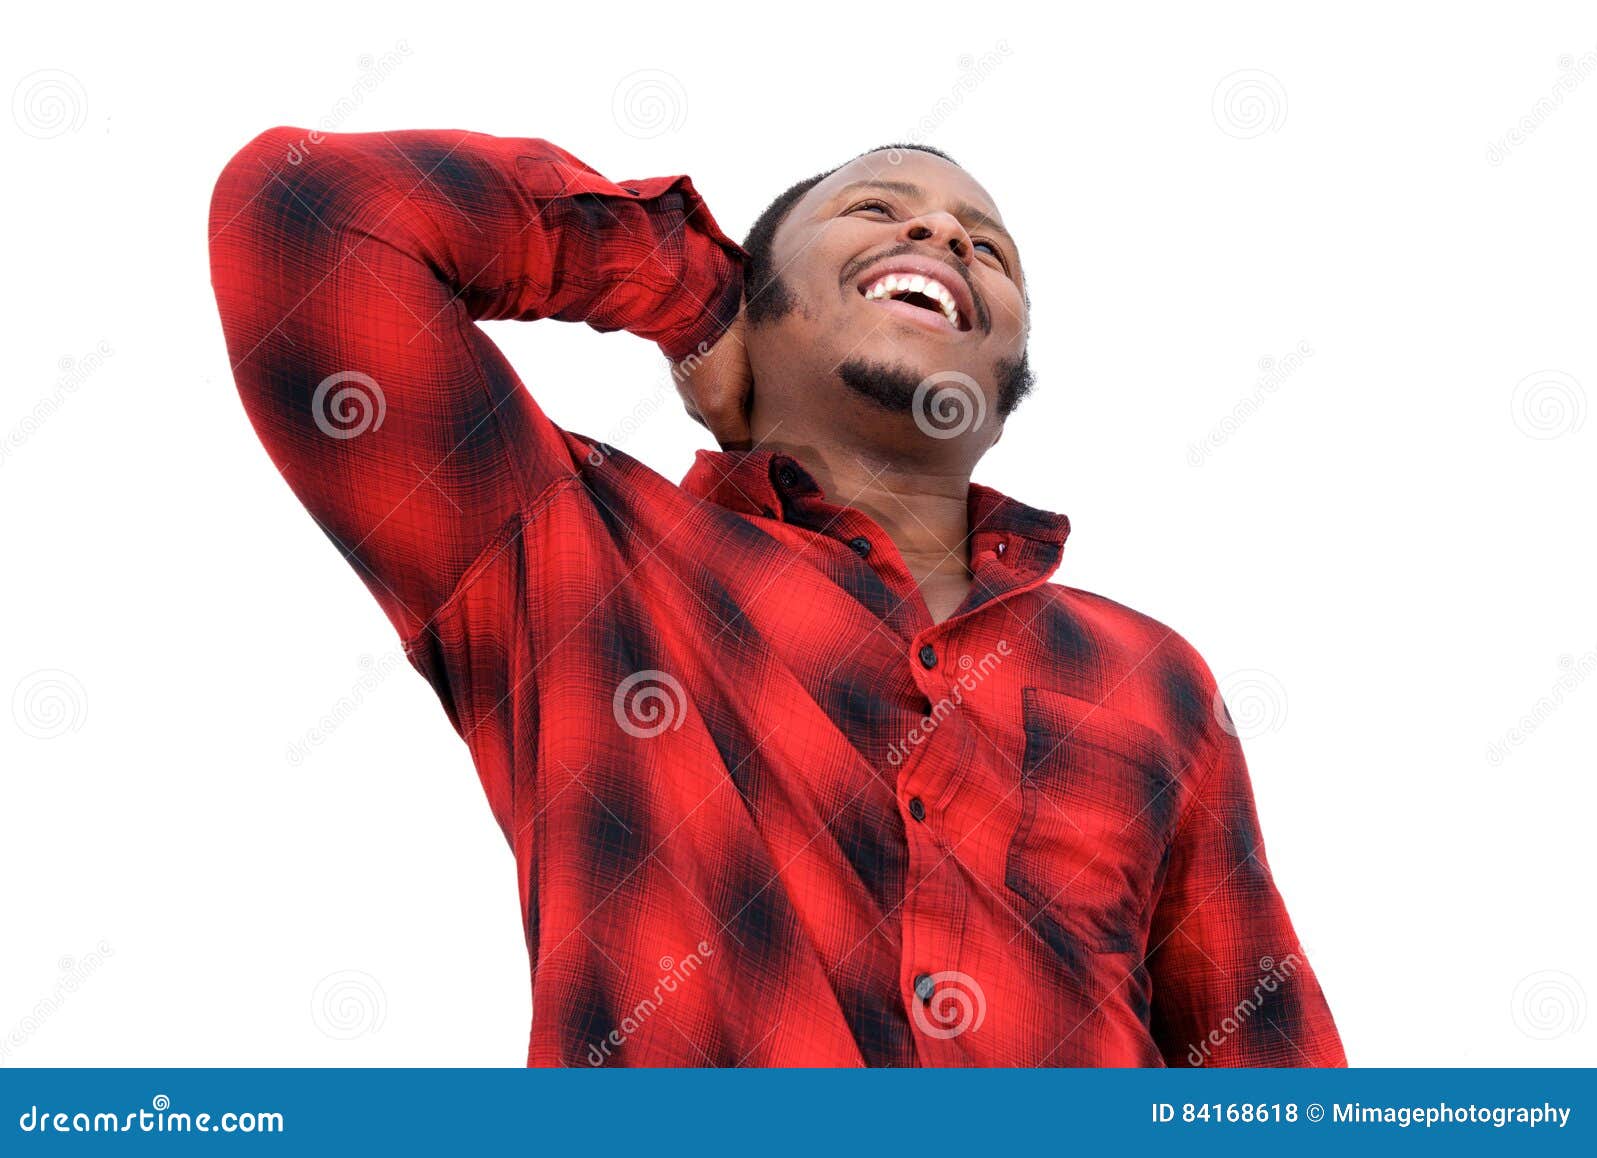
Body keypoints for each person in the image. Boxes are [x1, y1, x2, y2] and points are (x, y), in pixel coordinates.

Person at [207, 124, 1344, 1067]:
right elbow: (310, 214)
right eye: (874, 212)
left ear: (1005, 383)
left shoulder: (1148, 678)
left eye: (987, 248)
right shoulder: (575, 551)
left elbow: (1270, 1071)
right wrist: (694, 301)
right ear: (767, 305)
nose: (942, 232)